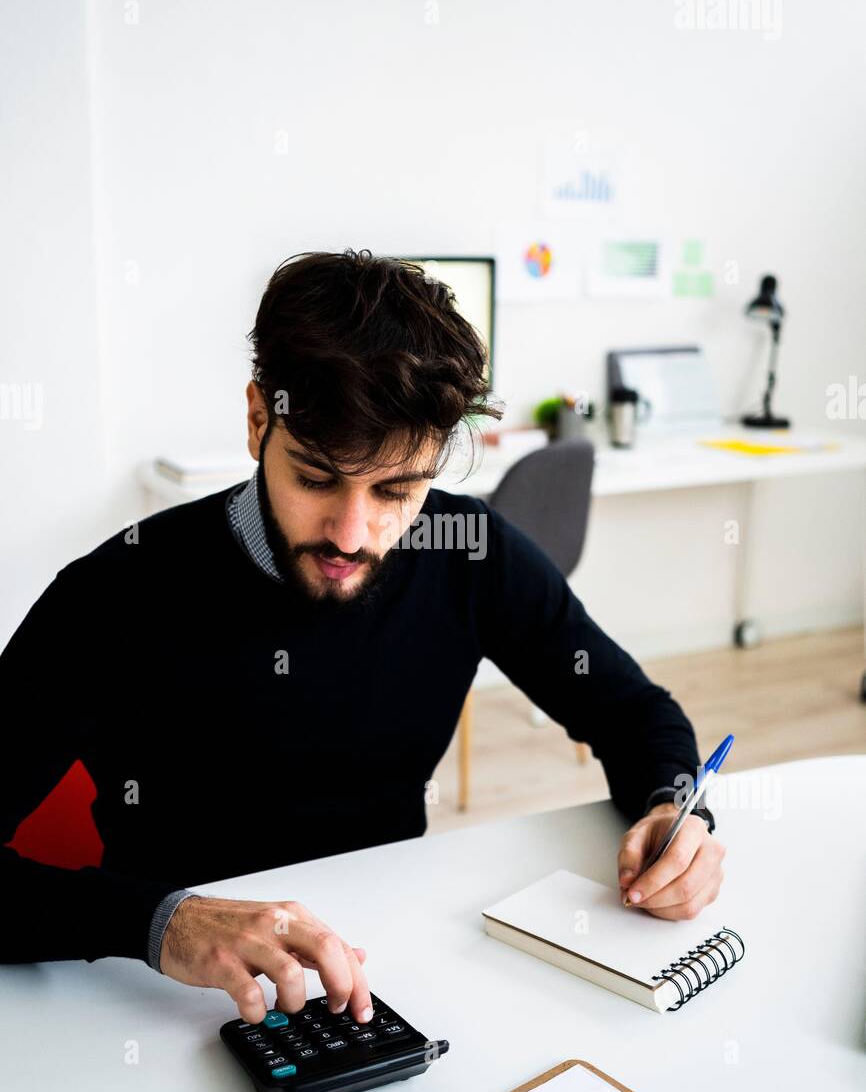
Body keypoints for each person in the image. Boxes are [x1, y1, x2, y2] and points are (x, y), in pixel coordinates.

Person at [0, 249, 723, 1027]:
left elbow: (633, 710)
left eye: (395, 491)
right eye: (316, 478)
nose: (352, 534)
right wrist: (161, 921)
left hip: (391, 969)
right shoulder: (116, 594)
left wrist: (676, 810)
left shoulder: (469, 552)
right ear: (257, 419)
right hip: (162, 1005)